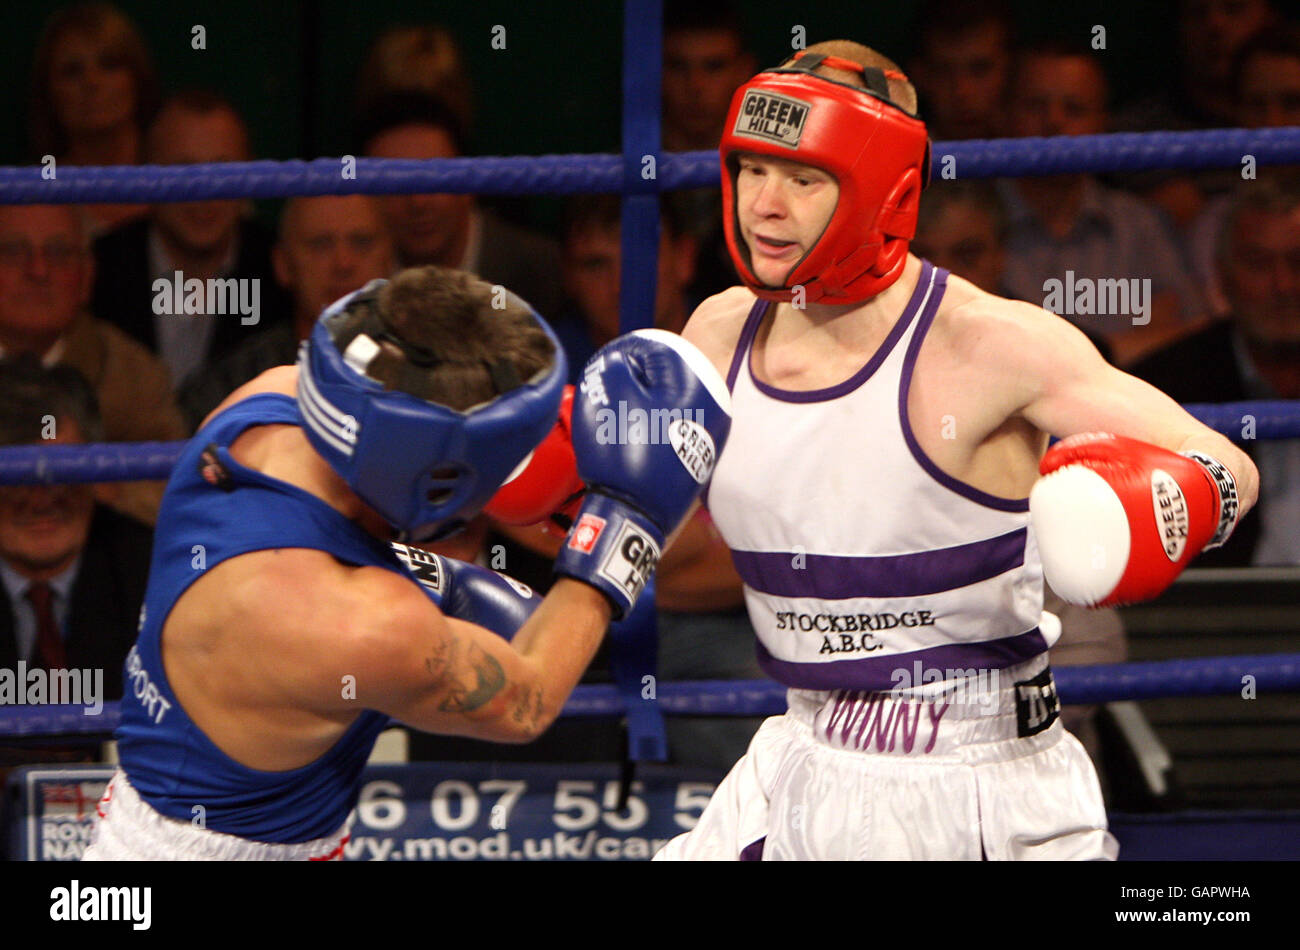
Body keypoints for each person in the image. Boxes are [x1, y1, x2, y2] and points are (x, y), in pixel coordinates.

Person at [649, 42, 1257, 860]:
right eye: (752, 170)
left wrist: (1167, 502)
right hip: (797, 755)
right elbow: (654, 545)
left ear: (883, 192)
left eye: (803, 179)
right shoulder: (718, 335)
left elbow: (1225, 461)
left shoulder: (992, 345)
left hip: (976, 787)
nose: (765, 205)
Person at [82, 265, 730, 860]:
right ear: (436, 476)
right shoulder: (364, 624)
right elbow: (526, 699)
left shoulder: (267, 404)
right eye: (506, 460)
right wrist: (629, 523)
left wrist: (441, 573)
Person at [999, 41, 1208, 368]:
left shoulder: (1140, 225)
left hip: (1121, 415)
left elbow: (1192, 334)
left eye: (1074, 109)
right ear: (1005, 115)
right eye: (1035, 105)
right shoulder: (971, 224)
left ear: (1103, 123)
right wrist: (1115, 352)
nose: (1053, 122)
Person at [1132, 174, 1300, 566]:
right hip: (1209, 618)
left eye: (1299, 262)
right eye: (1258, 263)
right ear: (1222, 276)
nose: (1283, 286)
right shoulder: (1165, 388)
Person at [91, 91, 291, 391]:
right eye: (184, 171)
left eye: (222, 170)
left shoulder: (280, 270)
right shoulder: (101, 266)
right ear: (146, 175)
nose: (203, 192)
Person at [0, 203, 185, 525]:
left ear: (88, 276)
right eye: (14, 251)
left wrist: (100, 487)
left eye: (59, 253)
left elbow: (178, 494)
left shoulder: (134, 375)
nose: (38, 270)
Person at [177, 194, 394, 431]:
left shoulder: (426, 370)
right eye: (320, 244)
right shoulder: (228, 385)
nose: (343, 263)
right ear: (283, 264)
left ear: (390, 259)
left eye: (362, 242)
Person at [356, 92, 563, 317]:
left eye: (435, 176)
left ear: (470, 180)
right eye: (395, 183)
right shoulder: (353, 278)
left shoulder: (546, 272)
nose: (418, 202)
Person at [28, 2, 159, 236]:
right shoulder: (29, 197)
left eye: (109, 64)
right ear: (48, 92)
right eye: (72, 71)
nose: (92, 82)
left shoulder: (188, 179)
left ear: (137, 77)